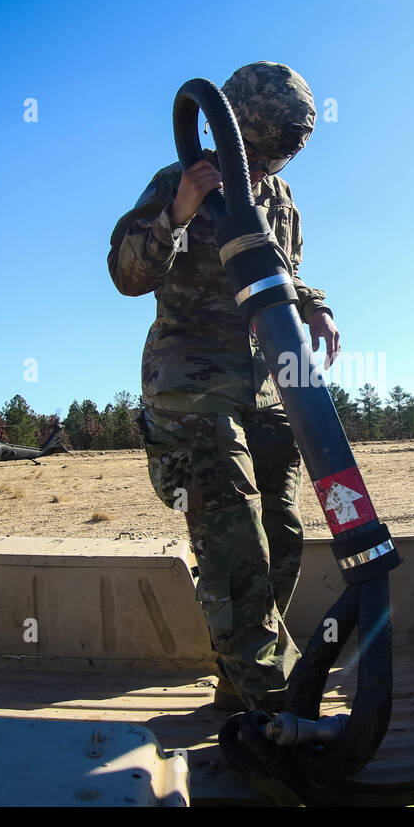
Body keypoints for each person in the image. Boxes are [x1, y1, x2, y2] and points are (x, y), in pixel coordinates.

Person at [108, 61, 340, 713]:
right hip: (191, 392)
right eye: (262, 148)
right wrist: (176, 215)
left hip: (265, 394)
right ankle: (272, 697)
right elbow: (126, 273)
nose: (269, 165)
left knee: (284, 530)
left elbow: (284, 271)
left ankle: (238, 680)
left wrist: (316, 306)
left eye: (282, 151)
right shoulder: (179, 182)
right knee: (234, 533)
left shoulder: (282, 200)